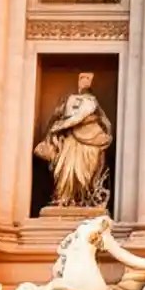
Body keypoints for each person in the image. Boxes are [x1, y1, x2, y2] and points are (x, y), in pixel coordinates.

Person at [34, 72, 113, 207]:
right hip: (70, 141)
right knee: (66, 172)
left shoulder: (93, 103)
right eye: (82, 79)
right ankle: (65, 197)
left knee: (86, 173)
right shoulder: (69, 100)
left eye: (86, 79)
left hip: (90, 141)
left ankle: (82, 198)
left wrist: (105, 133)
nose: (84, 82)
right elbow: (57, 117)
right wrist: (55, 131)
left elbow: (105, 122)